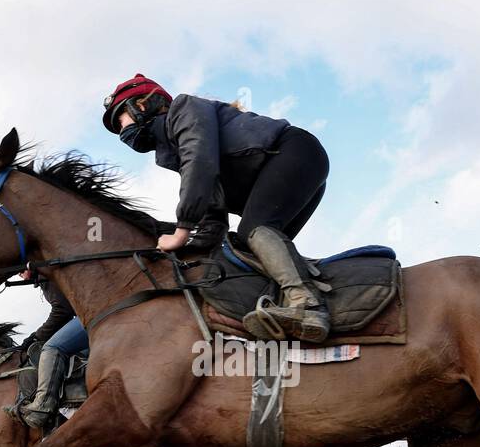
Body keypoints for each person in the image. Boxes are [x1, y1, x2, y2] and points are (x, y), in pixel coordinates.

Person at [102, 73, 332, 342]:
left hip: (296, 153)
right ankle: (280, 307)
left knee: (254, 230)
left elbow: (200, 163)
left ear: (143, 105)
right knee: (244, 249)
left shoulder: (185, 109)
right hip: (295, 168)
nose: (122, 132)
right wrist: (185, 252)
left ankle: (308, 305)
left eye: (121, 119)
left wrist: (181, 231)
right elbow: (213, 218)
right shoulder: (172, 152)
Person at [14, 280, 86, 428]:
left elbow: (63, 310)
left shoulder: (45, 274)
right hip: (93, 312)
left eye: (22, 270)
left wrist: (37, 336)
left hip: (93, 313)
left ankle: (42, 407)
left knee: (52, 347)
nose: (21, 274)